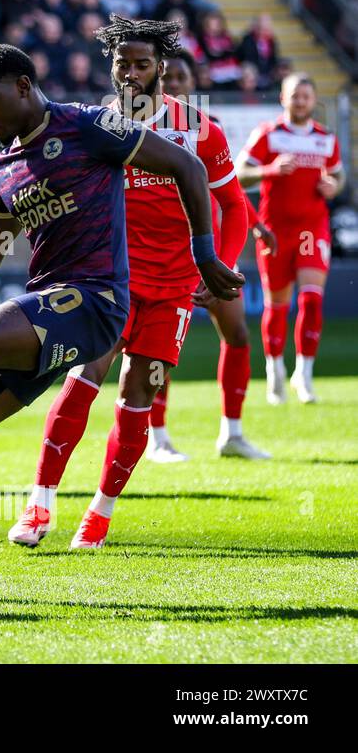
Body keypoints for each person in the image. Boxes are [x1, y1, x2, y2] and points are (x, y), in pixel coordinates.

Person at [0, 44, 242, 599]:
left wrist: (205, 254)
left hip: (95, 299)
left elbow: (187, 165)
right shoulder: (8, 166)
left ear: (25, 86)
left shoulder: (86, 124)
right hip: (56, 302)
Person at [4, 19, 253, 553]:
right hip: (106, 281)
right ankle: (40, 500)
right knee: (83, 376)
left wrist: (218, 265)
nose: (132, 74)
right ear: (111, 66)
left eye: (142, 64)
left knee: (139, 394)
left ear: (162, 67)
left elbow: (236, 207)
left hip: (175, 290)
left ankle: (100, 512)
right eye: (123, 64)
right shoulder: (94, 126)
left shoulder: (200, 130)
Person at [146, 50, 277, 460]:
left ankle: (232, 434)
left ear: (193, 83)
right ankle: (157, 435)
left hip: (213, 251)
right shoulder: (141, 129)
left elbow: (230, 191)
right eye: (170, 79)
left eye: (183, 78)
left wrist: (253, 225)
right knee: (159, 351)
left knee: (237, 335)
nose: (176, 84)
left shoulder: (205, 128)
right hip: (165, 254)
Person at [237, 74, 345, 405]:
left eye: (306, 96)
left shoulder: (326, 139)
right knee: (278, 306)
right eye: (294, 96)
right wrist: (268, 170)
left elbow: (338, 174)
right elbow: (240, 173)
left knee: (311, 299)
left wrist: (334, 186)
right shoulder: (268, 135)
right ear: (283, 99)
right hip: (275, 231)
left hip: (313, 228)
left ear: (314, 101)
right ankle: (275, 371)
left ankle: (305, 374)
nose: (300, 101)